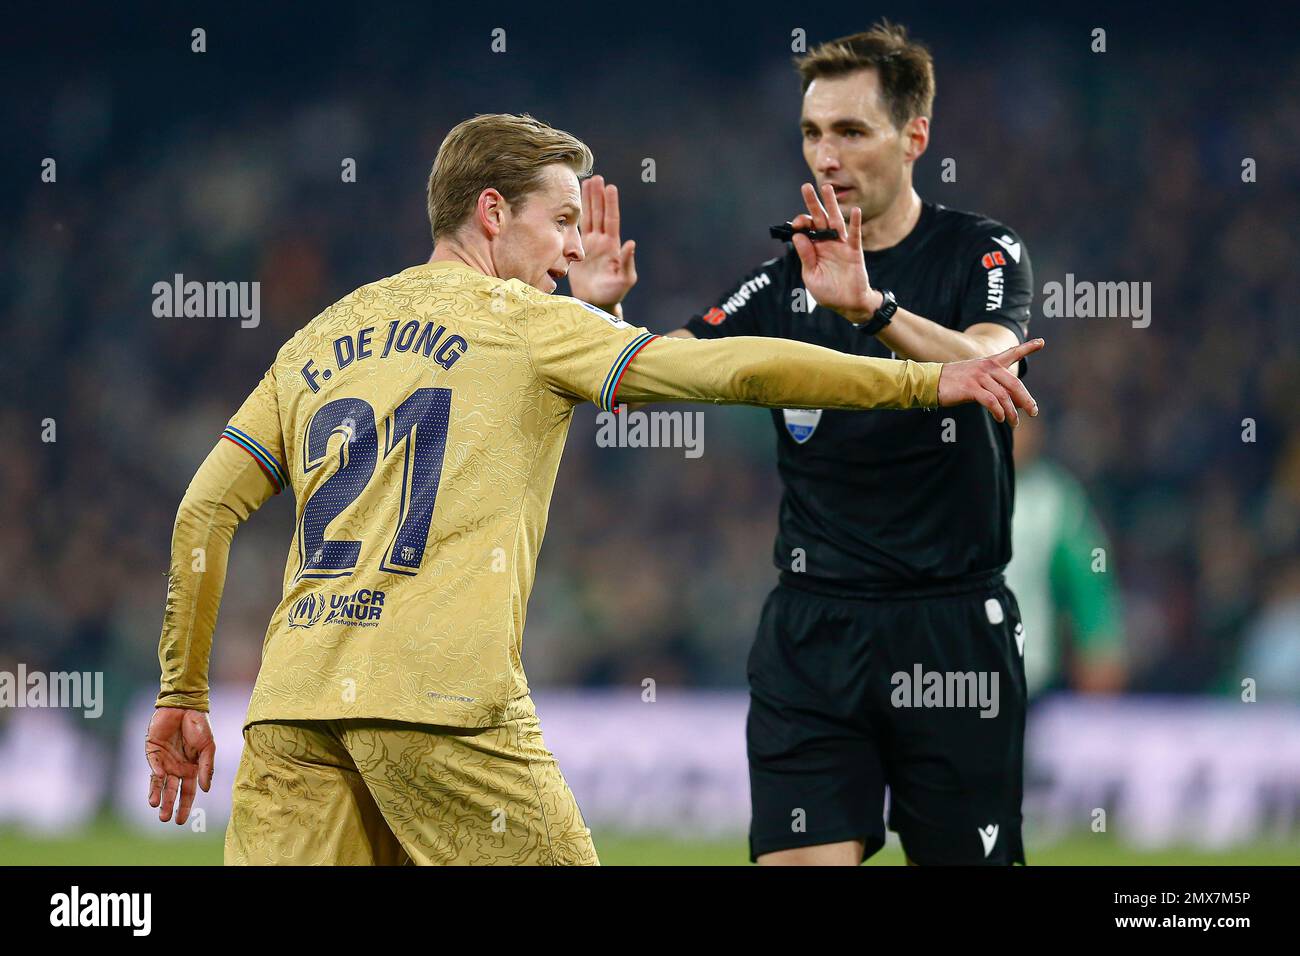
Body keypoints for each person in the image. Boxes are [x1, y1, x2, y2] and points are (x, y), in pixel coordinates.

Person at [145, 111, 1042, 865]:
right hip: (442, 706)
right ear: (491, 213)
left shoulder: (318, 336)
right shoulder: (528, 322)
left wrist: (183, 692)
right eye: (562, 218)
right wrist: (921, 380)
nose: (575, 244)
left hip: (291, 709)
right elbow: (725, 373)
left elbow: (203, 511)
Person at [570, 22, 1036, 865]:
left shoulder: (983, 251)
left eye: (852, 131)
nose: (827, 155)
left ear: (915, 136)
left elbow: (992, 367)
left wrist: (873, 312)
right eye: (814, 133)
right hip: (814, 634)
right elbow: (642, 384)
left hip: (951, 629)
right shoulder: (785, 278)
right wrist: (604, 316)